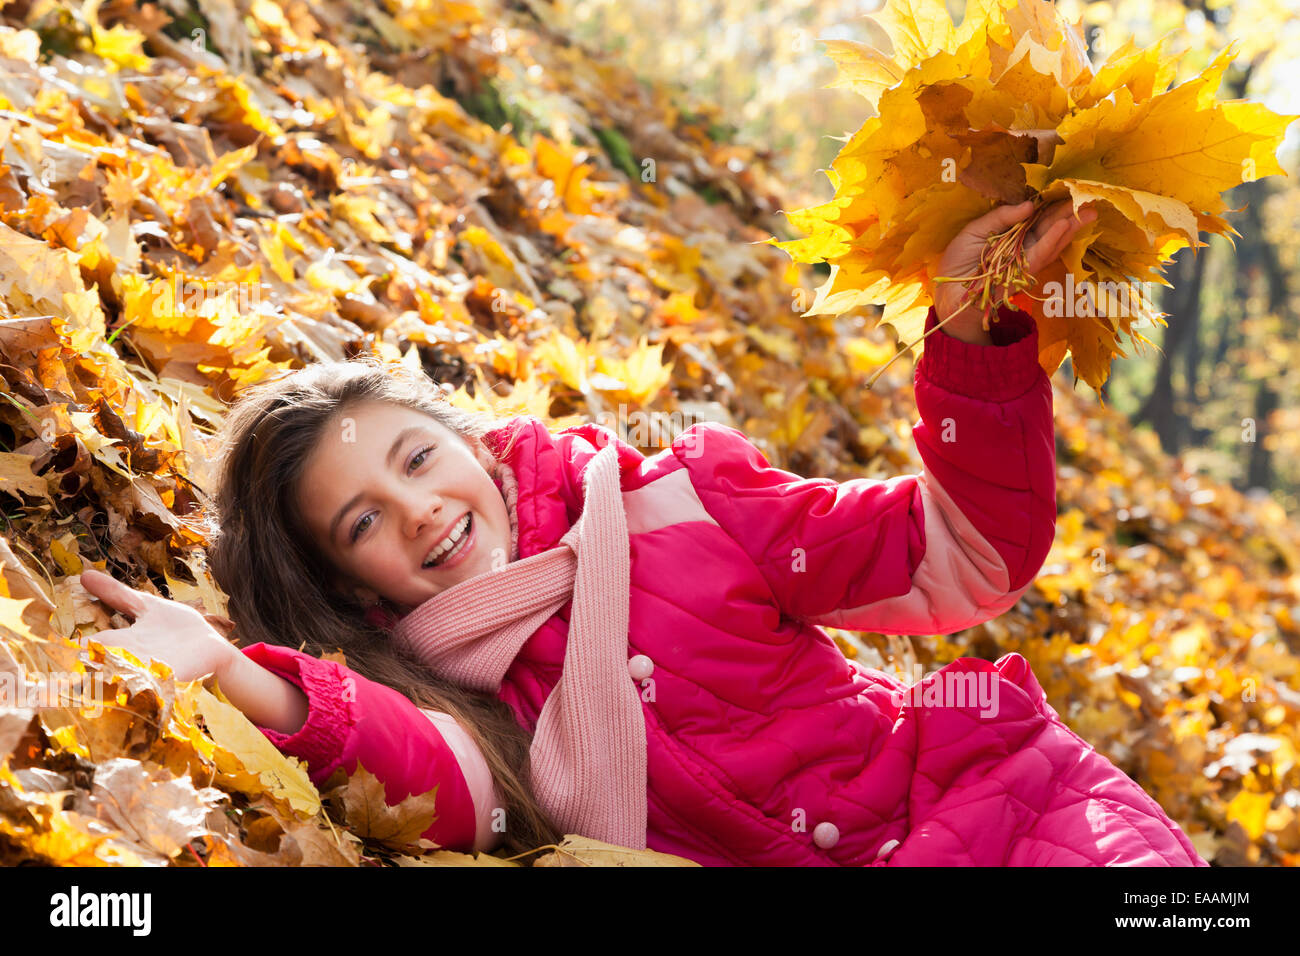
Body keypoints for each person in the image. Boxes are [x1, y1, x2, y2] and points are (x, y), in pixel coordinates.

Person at [79, 198, 1208, 866]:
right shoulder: (452, 687)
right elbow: (437, 780)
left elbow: (961, 555)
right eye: (363, 519)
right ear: (352, 587)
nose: (418, 507)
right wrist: (228, 669)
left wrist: (975, 338)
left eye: (417, 457)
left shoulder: (680, 497)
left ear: (472, 443)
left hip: (1003, 808)